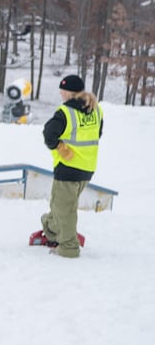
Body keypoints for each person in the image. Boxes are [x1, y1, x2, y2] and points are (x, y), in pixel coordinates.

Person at [36, 74, 103, 258]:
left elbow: (49, 134)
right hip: (87, 168)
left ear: (69, 93)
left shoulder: (65, 112)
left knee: (64, 209)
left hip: (68, 168)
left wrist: (60, 147)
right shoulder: (96, 110)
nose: (60, 93)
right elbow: (98, 133)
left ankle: (68, 247)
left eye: (62, 90)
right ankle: (51, 228)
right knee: (62, 205)